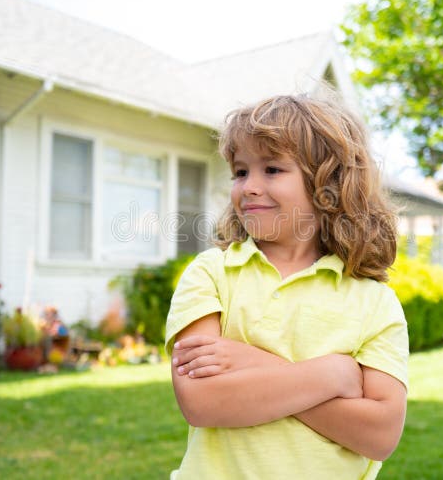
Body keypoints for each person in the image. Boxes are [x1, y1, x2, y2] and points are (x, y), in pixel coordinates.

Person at [165, 92, 409, 479]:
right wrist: (331, 376)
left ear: (328, 184)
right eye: (241, 172)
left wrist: (252, 362)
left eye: (272, 169)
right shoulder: (211, 273)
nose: (249, 187)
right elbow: (202, 401)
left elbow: (379, 434)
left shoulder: (374, 302)